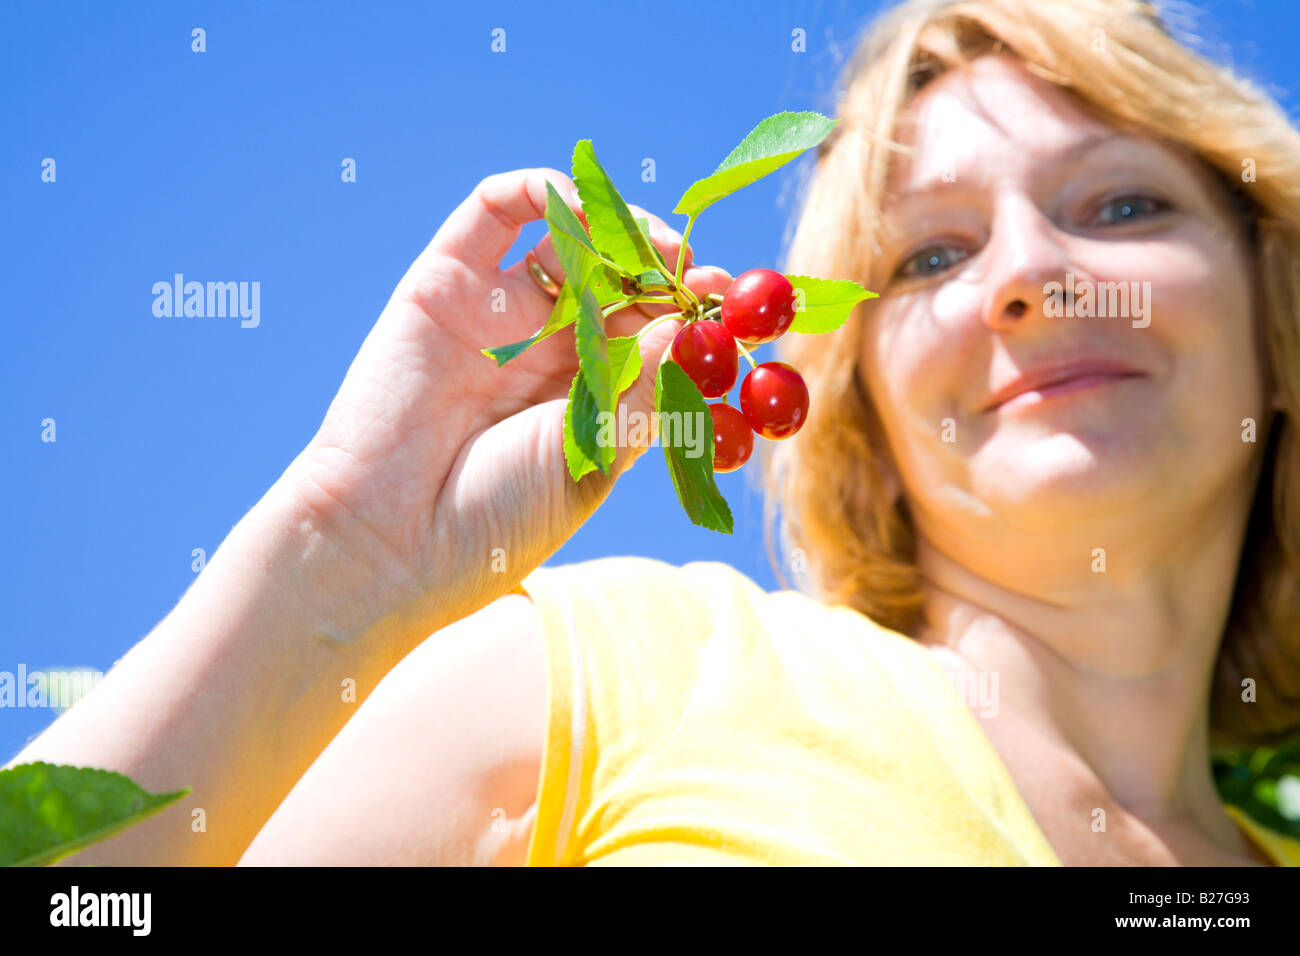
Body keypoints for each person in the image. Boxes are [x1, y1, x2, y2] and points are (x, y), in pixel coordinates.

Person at [10, 0, 1300, 866]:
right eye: (930, 254)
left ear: (1275, 316)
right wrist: (345, 551)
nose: (1028, 275)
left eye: (1123, 204)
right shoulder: (628, 670)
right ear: (858, 406)